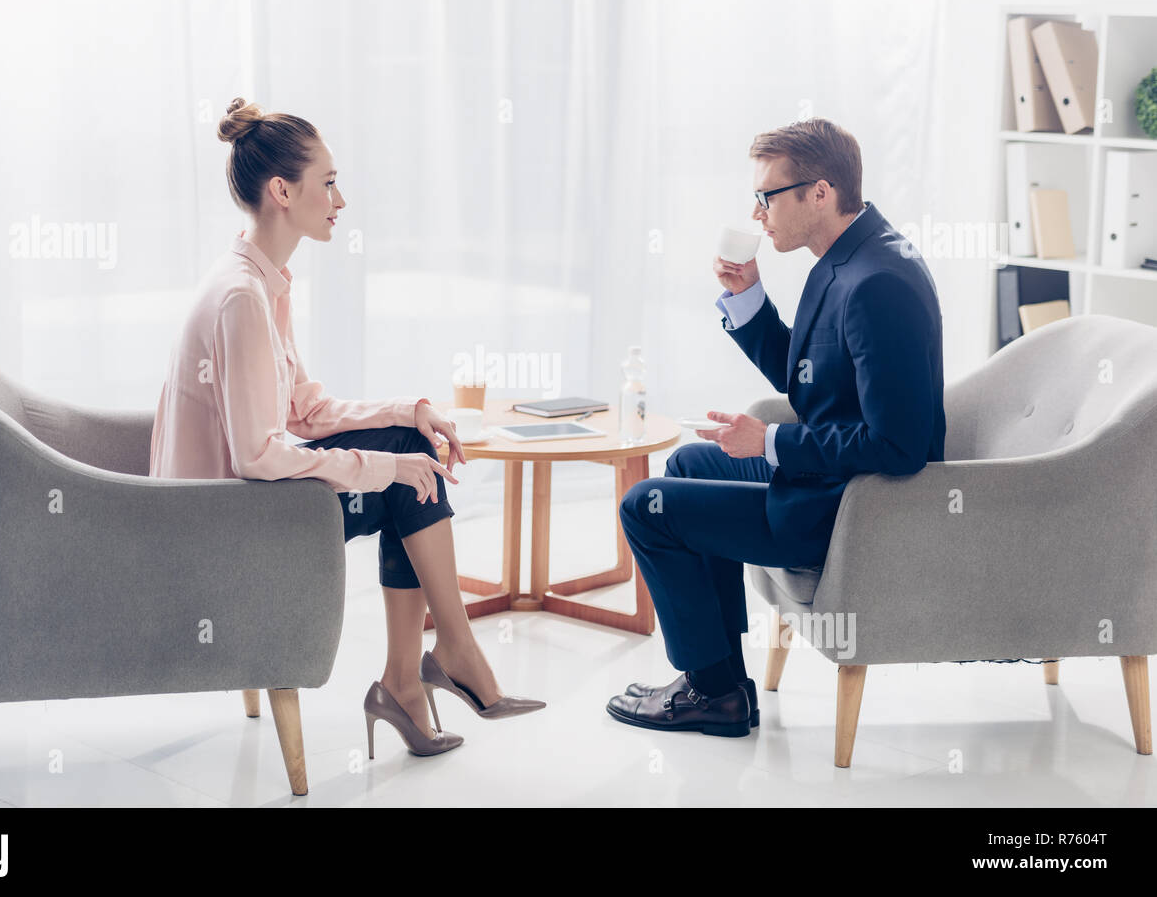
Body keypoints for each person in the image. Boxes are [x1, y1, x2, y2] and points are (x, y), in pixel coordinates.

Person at [150, 98, 544, 759]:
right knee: (402, 470)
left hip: (233, 508)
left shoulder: (263, 282)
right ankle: (440, 658)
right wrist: (386, 466)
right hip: (218, 529)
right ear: (282, 190)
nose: (341, 199)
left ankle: (414, 676)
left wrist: (404, 412)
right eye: (328, 182)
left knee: (408, 446)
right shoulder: (242, 297)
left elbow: (304, 408)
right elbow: (256, 454)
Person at [607, 118, 945, 737]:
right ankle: (722, 684)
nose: (757, 213)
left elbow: (900, 446)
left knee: (644, 506)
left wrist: (769, 443)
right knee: (686, 465)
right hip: (823, 476)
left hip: (844, 505)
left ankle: (711, 693)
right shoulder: (845, 258)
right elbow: (813, 385)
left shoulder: (878, 284)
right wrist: (750, 299)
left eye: (767, 196)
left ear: (820, 192)